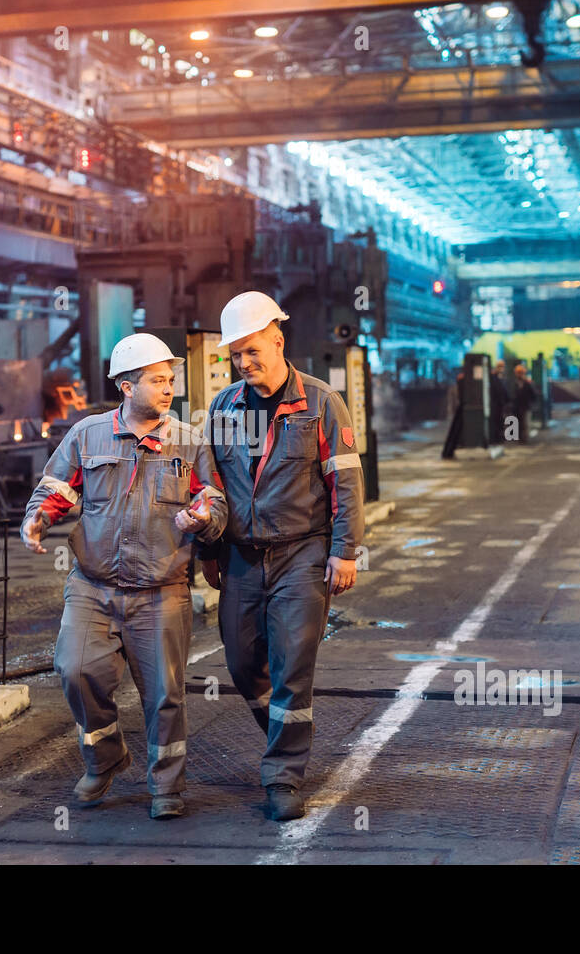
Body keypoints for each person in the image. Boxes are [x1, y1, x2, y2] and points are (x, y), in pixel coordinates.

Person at [22, 333, 228, 820]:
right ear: (125, 386)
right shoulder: (88, 435)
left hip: (161, 590)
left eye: (170, 379)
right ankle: (106, 757)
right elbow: (57, 489)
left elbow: (213, 501)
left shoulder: (188, 441)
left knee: (164, 695)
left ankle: (166, 786)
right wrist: (38, 519)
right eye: (157, 380)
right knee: (75, 671)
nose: (168, 388)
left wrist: (202, 518)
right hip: (92, 587)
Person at [199, 291, 365, 822]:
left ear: (278, 339)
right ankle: (282, 729)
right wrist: (208, 547)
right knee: (244, 664)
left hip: (302, 553)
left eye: (253, 351)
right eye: (236, 355)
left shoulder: (320, 402)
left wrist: (344, 552)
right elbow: (212, 485)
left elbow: (346, 482)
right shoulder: (224, 407)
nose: (245, 363)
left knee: (292, 662)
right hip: (242, 557)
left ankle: (283, 776)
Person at [441, 369, 465, 459]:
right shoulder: (455, 387)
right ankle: (448, 452)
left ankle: (448, 452)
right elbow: (453, 402)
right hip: (458, 410)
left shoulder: (456, 386)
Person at [512, 363, 537, 442]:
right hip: (517, 407)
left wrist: (530, 402)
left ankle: (525, 439)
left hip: (526, 406)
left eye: (520, 373)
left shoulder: (528, 383)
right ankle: (520, 438)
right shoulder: (515, 383)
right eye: (518, 373)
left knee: (525, 424)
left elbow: (533, 394)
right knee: (519, 423)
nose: (519, 375)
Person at [489, 361, 509, 445]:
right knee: (496, 421)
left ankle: (499, 438)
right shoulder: (493, 377)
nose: (501, 369)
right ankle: (496, 438)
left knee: (500, 421)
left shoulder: (501, 378)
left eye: (502, 367)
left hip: (500, 404)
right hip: (495, 404)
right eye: (500, 367)